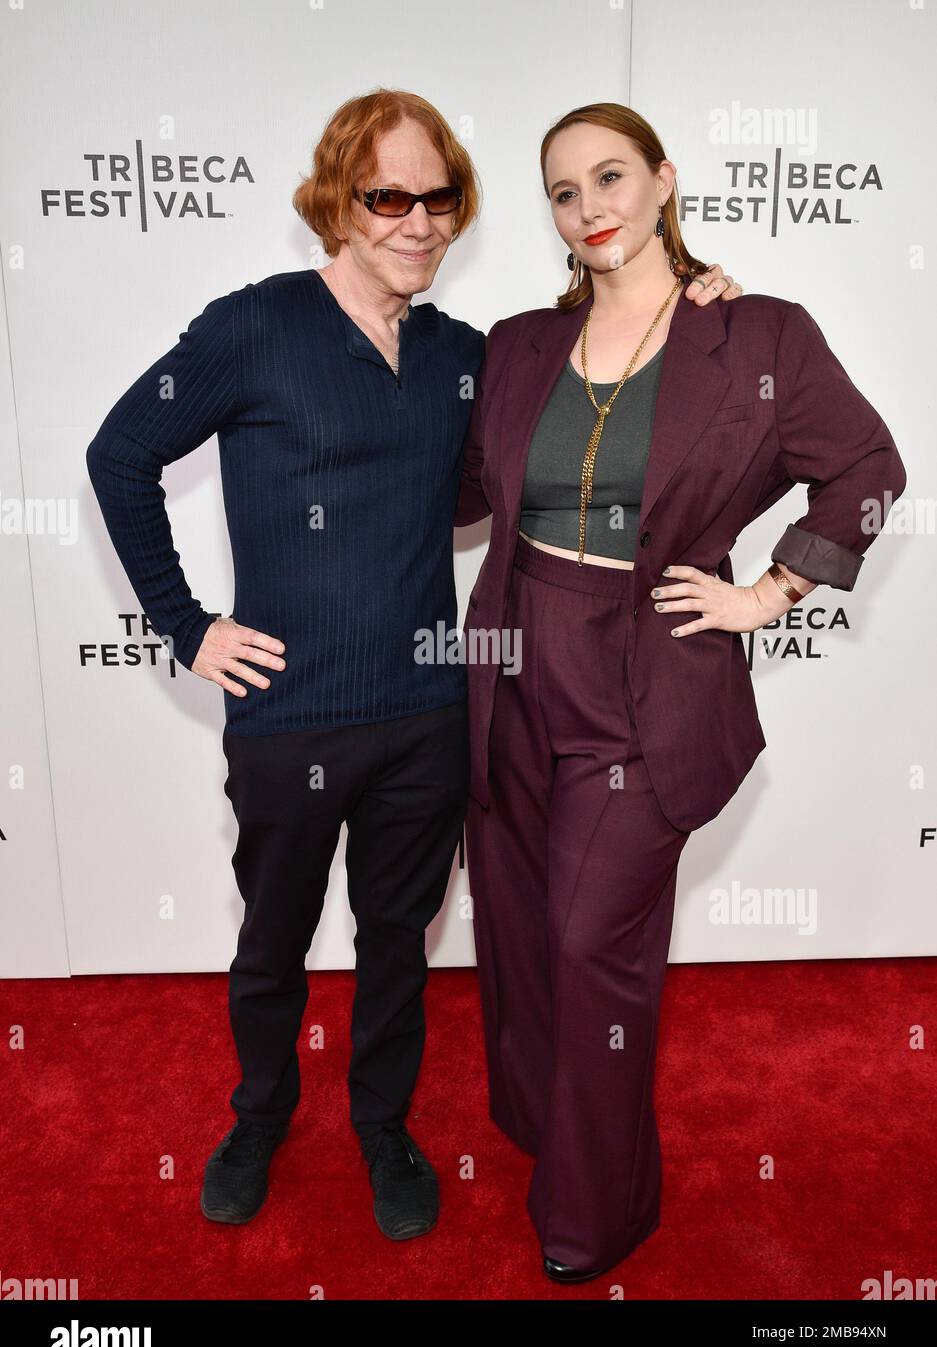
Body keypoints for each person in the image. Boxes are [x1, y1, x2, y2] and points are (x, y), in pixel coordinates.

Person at [85, 88, 741, 1245]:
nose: (418, 221)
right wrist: (186, 625)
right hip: (287, 713)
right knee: (271, 940)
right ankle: (259, 1116)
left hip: (433, 709)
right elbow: (119, 452)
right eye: (389, 195)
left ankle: (383, 1127)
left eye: (440, 198)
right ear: (339, 202)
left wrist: (700, 301)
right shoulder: (254, 326)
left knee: (400, 941)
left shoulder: (467, 356)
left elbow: (594, 378)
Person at [455, 102, 906, 1283]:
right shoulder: (513, 346)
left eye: (610, 177)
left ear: (660, 181)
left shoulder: (755, 335)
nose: (590, 206)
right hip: (511, 655)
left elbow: (866, 467)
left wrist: (768, 592)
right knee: (515, 925)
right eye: (563, 192)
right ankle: (549, 1127)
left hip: (644, 671)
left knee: (586, 937)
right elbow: (452, 489)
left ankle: (594, 1213)